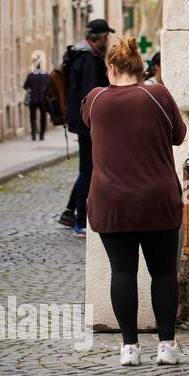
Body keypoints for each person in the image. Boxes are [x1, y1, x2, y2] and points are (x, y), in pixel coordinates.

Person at [81, 36, 188, 366]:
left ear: (111, 68)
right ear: (140, 68)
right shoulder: (156, 95)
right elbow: (179, 135)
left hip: (112, 201)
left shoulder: (95, 100)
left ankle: (129, 347)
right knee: (164, 273)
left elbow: (87, 123)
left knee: (122, 271)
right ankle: (167, 345)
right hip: (157, 199)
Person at [59, 18, 113, 235]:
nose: (107, 40)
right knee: (88, 171)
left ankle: (69, 212)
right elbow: (93, 95)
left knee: (86, 168)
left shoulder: (78, 53)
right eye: (106, 36)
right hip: (87, 124)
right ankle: (80, 221)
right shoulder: (89, 58)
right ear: (100, 37)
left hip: (79, 120)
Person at [23, 58, 51, 140]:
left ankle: (33, 135)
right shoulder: (45, 75)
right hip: (43, 100)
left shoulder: (30, 75)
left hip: (33, 99)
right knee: (43, 118)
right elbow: (50, 87)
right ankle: (42, 135)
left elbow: (25, 87)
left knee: (33, 117)